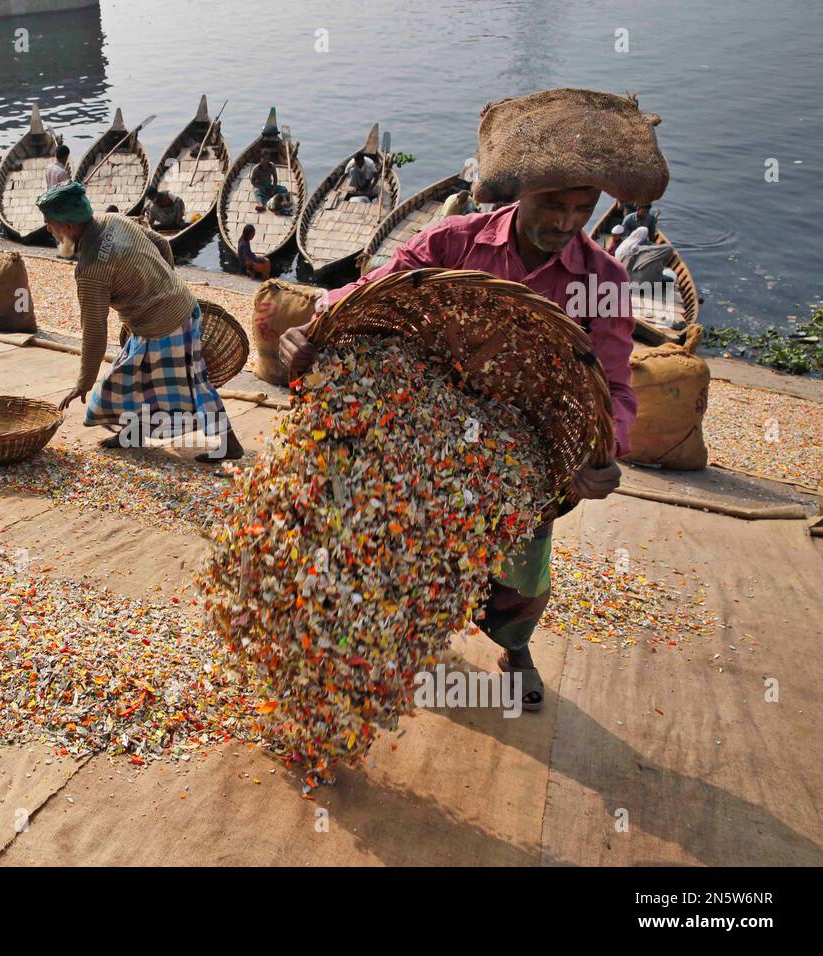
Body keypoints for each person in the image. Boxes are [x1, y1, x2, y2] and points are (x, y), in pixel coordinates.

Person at [280, 91, 661, 712]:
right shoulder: (454, 244)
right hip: (435, 416)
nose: (566, 222)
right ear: (517, 192)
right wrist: (317, 323)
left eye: (582, 208)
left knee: (520, 570)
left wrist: (607, 448)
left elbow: (616, 387)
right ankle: (390, 631)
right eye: (552, 204)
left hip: (529, 446)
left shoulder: (604, 282)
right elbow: (375, 289)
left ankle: (514, 646)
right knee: (397, 534)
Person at [38, 180, 244, 462]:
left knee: (192, 385)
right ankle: (133, 433)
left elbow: (95, 333)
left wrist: (83, 384)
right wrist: (164, 283)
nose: (50, 230)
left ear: (70, 226)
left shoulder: (90, 271)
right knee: (129, 378)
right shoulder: (113, 220)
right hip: (179, 308)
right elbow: (161, 243)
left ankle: (230, 444)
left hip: (166, 327)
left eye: (51, 224)